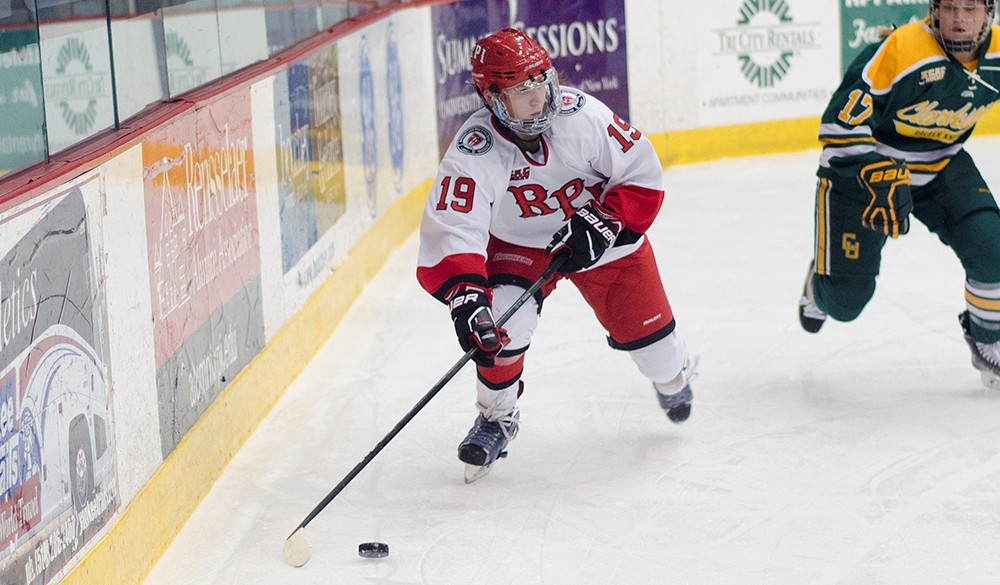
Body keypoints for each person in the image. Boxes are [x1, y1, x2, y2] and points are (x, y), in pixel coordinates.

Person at [416, 28, 694, 479]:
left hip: (599, 237)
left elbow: (642, 172)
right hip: (519, 246)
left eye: (543, 84)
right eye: (522, 92)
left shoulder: (581, 117)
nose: (539, 100)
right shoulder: (475, 149)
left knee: (657, 353)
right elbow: (455, 224)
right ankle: (496, 417)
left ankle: (674, 375)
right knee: (500, 321)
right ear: (492, 98)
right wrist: (466, 295)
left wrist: (607, 219)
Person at [799, 0, 1000, 390]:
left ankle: (989, 340)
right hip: (866, 171)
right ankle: (817, 286)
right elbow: (838, 127)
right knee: (845, 300)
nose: (959, 20)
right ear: (934, 10)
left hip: (943, 165)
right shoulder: (901, 49)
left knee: (993, 250)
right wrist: (873, 170)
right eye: (950, 7)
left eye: (970, 9)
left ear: (988, 13)